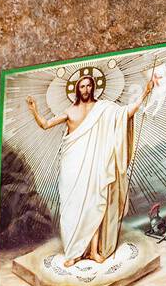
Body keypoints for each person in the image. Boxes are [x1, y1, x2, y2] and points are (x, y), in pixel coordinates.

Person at [26, 68, 156, 266]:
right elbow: (45, 124)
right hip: (72, 166)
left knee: (95, 205)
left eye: (89, 86)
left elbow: (126, 113)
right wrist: (34, 110)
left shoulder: (103, 108)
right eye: (82, 86)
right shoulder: (70, 111)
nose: (86, 89)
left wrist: (145, 93)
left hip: (95, 165)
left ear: (93, 88)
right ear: (77, 89)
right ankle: (74, 253)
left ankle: (93, 251)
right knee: (73, 209)